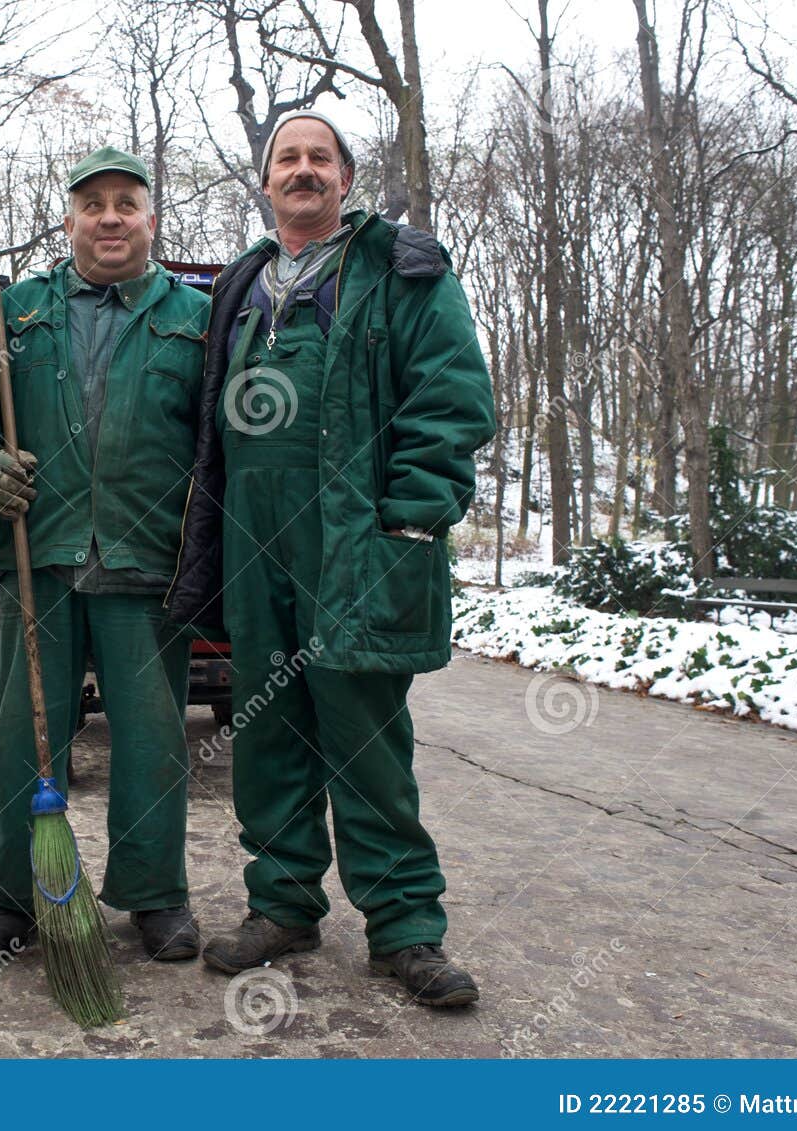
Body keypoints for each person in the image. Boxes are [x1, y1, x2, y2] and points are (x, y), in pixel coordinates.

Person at [166, 111, 496, 1008]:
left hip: (358, 539)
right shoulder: (239, 285)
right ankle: (282, 905)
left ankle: (405, 929)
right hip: (252, 540)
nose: (304, 169)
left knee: (366, 736)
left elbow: (454, 396)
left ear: (346, 179)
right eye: (288, 158)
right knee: (268, 734)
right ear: (265, 182)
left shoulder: (400, 270)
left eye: (321, 156)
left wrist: (412, 520)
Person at [0, 147, 210, 962]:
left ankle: (155, 894)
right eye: (93, 204)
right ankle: (19, 895)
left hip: (146, 554)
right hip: (40, 553)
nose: (110, 217)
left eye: (126, 203)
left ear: (151, 220)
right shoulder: (17, 312)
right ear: (68, 219)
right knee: (26, 739)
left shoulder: (196, 316)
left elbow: (222, 437)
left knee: (151, 735)